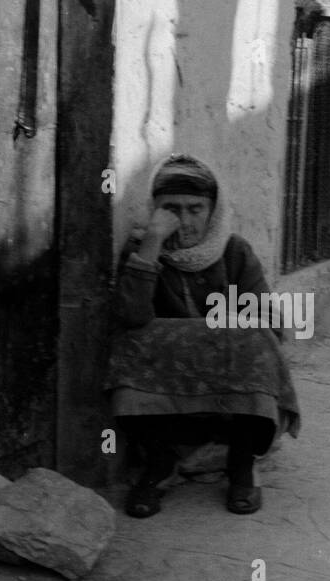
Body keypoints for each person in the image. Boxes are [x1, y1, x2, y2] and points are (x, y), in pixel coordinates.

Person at [105, 153, 300, 518]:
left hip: (228, 384)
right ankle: (159, 464)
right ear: (156, 210)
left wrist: (216, 333)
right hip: (168, 384)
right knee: (128, 343)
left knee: (256, 343)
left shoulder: (234, 251)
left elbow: (267, 321)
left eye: (196, 209)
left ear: (213, 210)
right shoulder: (142, 249)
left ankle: (240, 466)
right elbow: (132, 316)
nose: (185, 221)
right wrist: (152, 245)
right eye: (172, 209)